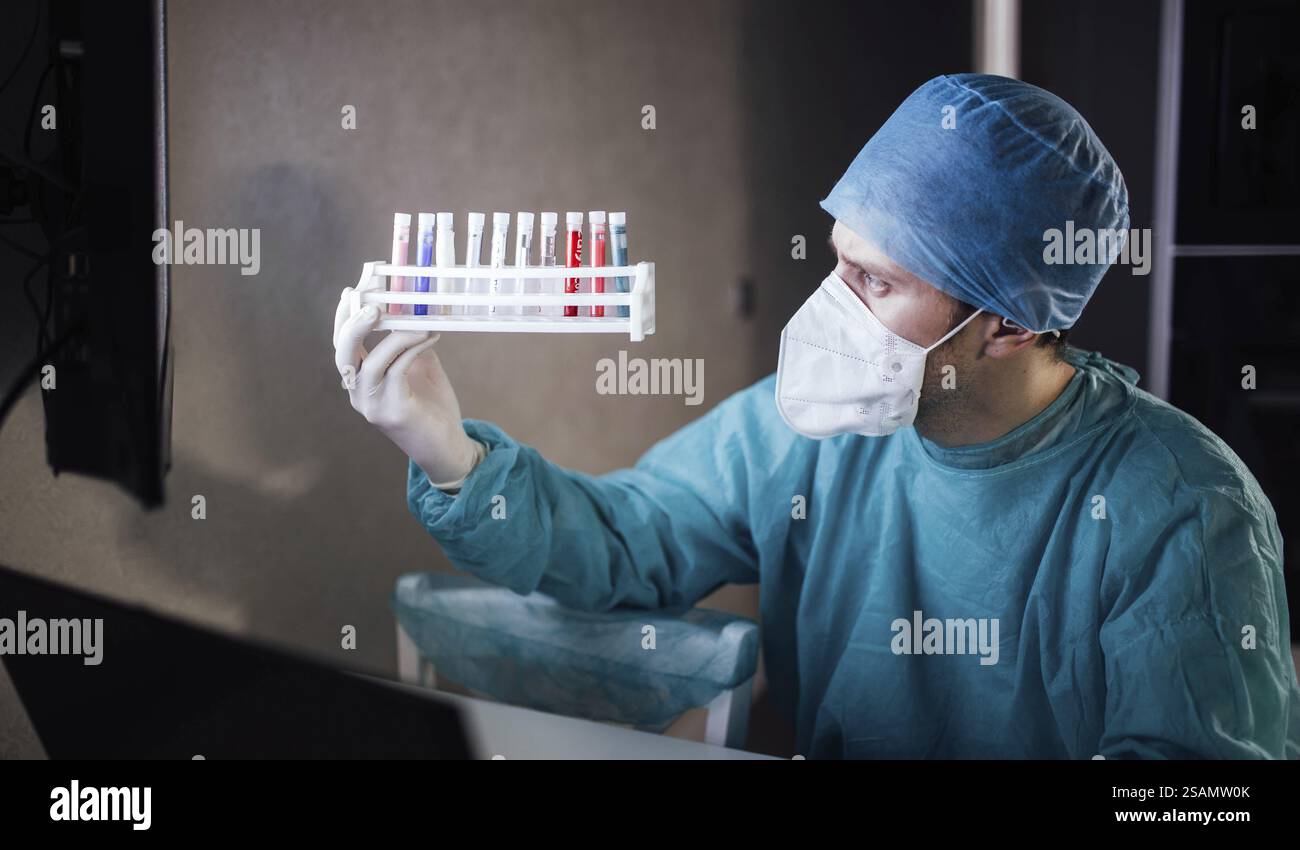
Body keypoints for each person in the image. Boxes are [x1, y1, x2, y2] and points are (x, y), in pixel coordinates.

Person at [333, 74, 1300, 758]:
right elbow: (624, 545)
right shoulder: (803, 436)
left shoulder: (1182, 508)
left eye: (874, 281)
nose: (831, 310)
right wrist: (444, 446)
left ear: (1006, 320)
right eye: (838, 261)